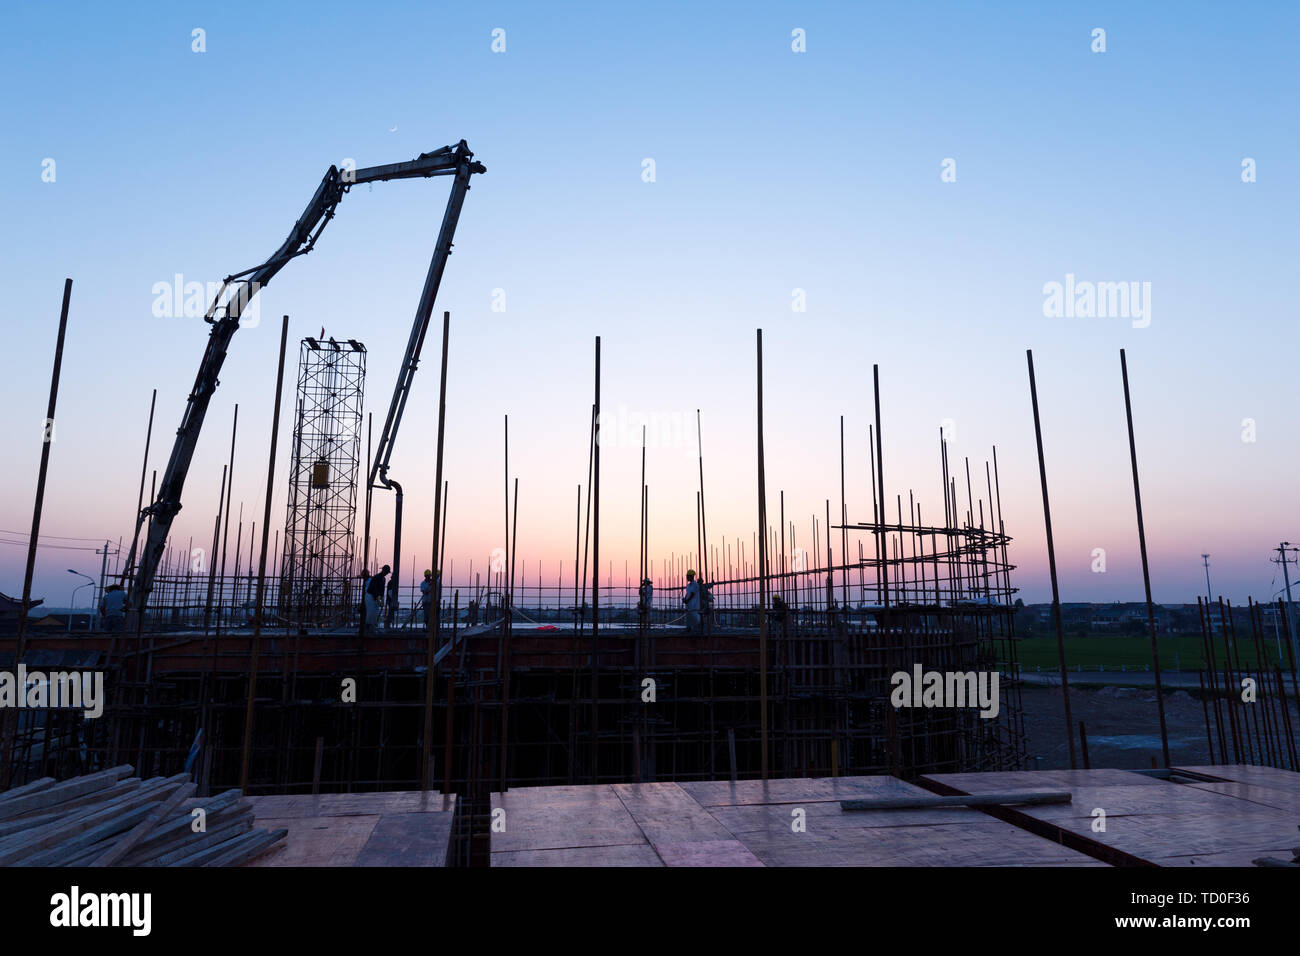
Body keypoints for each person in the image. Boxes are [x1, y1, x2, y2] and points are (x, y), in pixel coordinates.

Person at [364, 565, 389, 634]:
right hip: (370, 595)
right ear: (383, 570)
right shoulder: (376, 577)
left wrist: (382, 598)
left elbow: (382, 589)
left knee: (375, 612)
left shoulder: (383, 579)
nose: (387, 574)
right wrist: (378, 597)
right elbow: (374, 588)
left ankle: (372, 627)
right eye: (386, 572)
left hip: (375, 596)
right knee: (370, 612)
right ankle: (368, 627)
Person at [682, 569, 702, 634]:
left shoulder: (695, 585)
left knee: (696, 618)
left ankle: (698, 630)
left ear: (691, 576)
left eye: (688, 576)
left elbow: (692, 594)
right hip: (689, 606)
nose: (687, 578)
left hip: (694, 606)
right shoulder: (688, 585)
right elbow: (688, 594)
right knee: (689, 618)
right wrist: (685, 599)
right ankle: (689, 629)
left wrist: (687, 600)